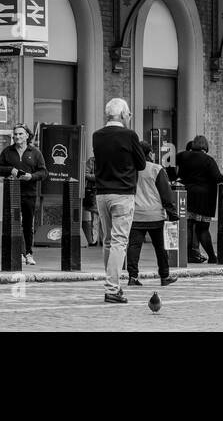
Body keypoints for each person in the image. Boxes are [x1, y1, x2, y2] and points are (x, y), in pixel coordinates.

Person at [91, 98, 145, 304]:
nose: (129, 117)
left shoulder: (97, 136)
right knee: (119, 241)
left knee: (108, 241)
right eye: (129, 114)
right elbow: (141, 163)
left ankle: (113, 284)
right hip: (123, 193)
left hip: (102, 193)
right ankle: (112, 288)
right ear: (123, 114)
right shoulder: (129, 135)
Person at [126, 141, 180, 287]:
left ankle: (132, 276)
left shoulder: (130, 169)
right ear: (149, 154)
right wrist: (172, 212)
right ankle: (164, 276)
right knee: (160, 247)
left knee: (134, 247)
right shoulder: (156, 169)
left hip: (136, 214)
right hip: (155, 215)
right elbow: (166, 194)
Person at [0, 124, 48, 265]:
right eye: (15, 134)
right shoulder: (8, 151)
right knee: (14, 223)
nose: (17, 136)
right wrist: (11, 170)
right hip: (12, 193)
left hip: (29, 193)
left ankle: (29, 253)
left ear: (27, 136)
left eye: (20, 134)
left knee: (27, 224)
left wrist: (31, 176)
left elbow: (43, 172)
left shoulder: (35, 153)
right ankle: (19, 253)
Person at [175, 136, 223, 264]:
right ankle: (212, 256)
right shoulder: (208, 160)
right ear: (205, 146)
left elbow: (172, 169)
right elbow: (218, 177)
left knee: (188, 226)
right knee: (202, 229)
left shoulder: (182, 156)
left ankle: (187, 255)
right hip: (204, 198)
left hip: (187, 195)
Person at [82, 156, 99, 248]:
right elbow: (85, 174)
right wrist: (99, 177)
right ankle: (94, 240)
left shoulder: (110, 159)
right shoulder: (92, 160)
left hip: (106, 190)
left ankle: (103, 239)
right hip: (95, 191)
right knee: (95, 216)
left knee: (105, 216)